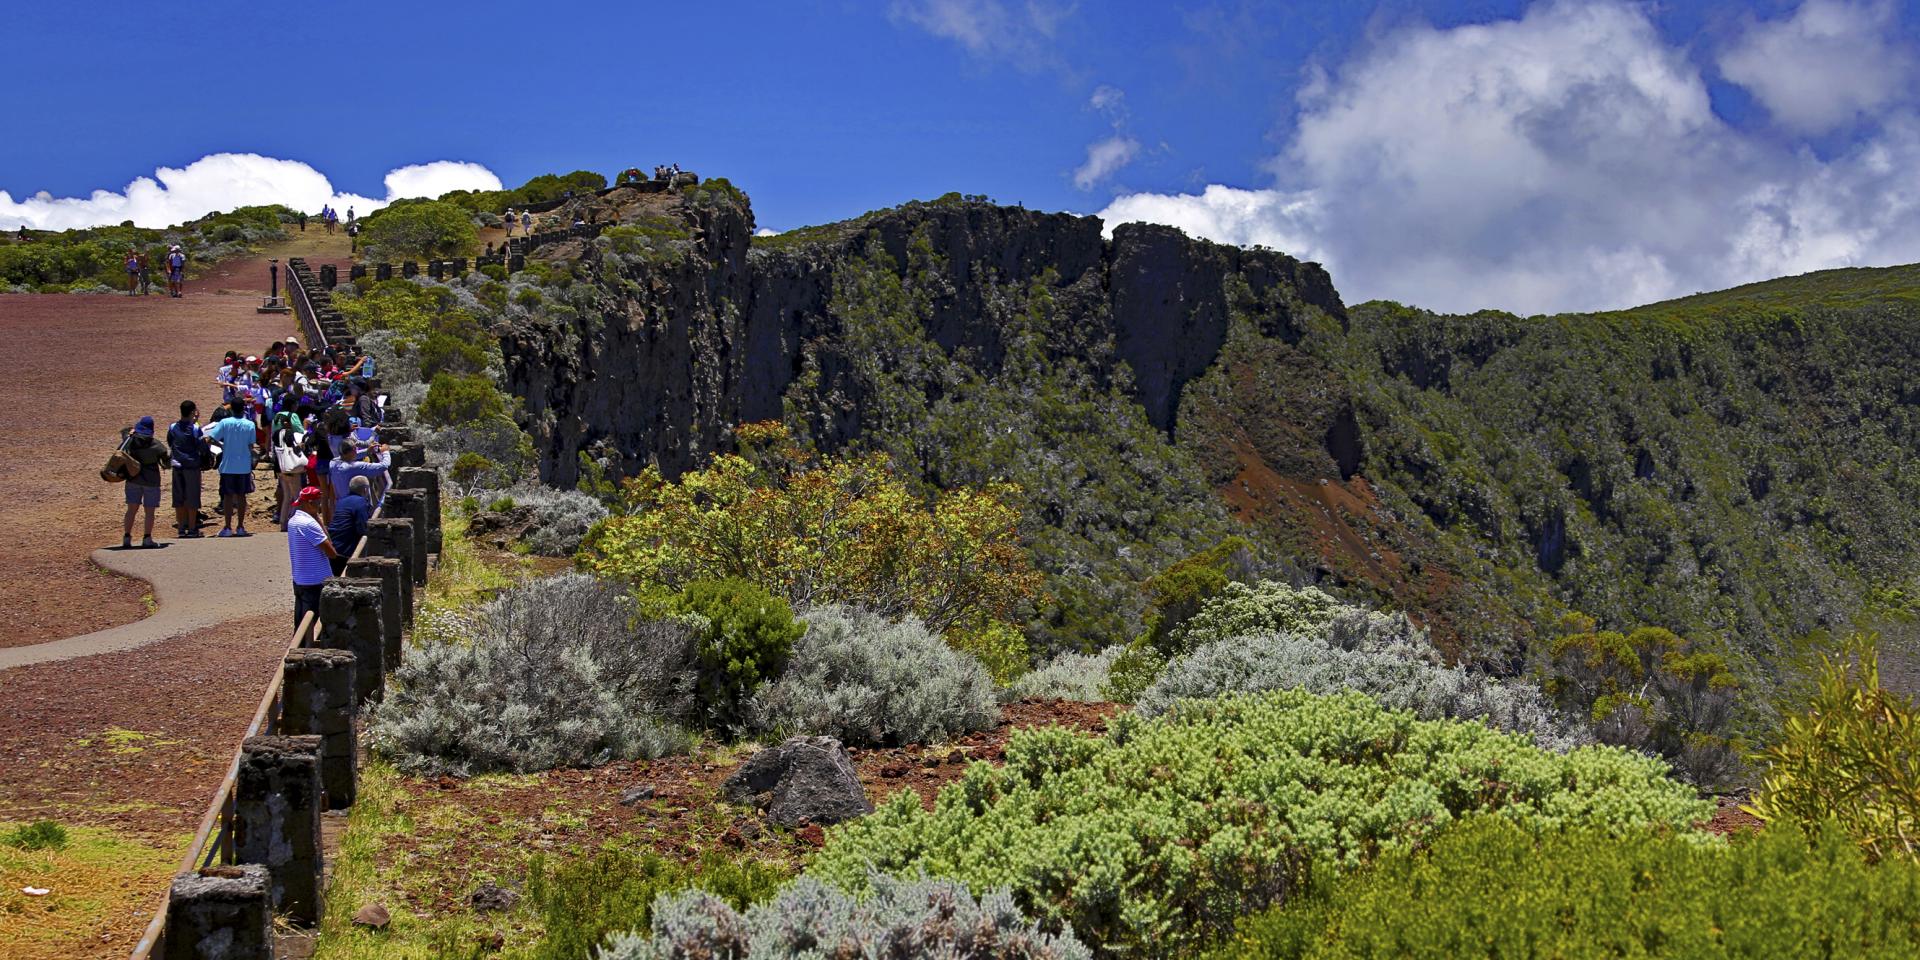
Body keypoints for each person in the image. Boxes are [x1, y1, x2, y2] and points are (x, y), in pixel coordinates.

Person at [287, 486, 340, 629]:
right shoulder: (309, 524)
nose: (320, 506)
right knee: (314, 625)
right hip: (315, 581)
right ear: (310, 503)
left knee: (301, 623)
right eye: (318, 503)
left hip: (300, 579)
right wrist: (318, 520)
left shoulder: (293, 521)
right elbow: (332, 552)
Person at [207, 399, 258, 537]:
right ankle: (240, 526)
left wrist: (223, 446)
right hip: (243, 466)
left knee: (228, 497)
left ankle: (228, 526)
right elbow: (251, 445)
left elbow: (211, 438)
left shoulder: (224, 423)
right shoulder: (250, 424)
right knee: (242, 496)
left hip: (228, 465)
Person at [120, 416, 170, 548]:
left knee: (131, 510)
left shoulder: (130, 441)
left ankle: (127, 537)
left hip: (133, 479)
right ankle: (147, 538)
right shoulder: (157, 445)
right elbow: (167, 463)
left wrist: (130, 433)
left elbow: (123, 435)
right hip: (151, 481)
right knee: (149, 511)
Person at [168, 400, 207, 538]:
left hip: (177, 465)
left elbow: (170, 442)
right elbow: (202, 447)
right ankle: (191, 529)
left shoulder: (173, 427)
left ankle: (181, 528)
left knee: (179, 497)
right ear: (192, 412)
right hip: (192, 466)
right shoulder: (195, 429)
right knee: (192, 498)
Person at [326, 475, 373, 575]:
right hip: (345, 550)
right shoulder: (361, 502)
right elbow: (362, 528)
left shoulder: (342, 501)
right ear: (365, 489)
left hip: (333, 545)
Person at [328, 439, 390, 509]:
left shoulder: (332, 463)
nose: (356, 451)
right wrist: (385, 452)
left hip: (340, 505)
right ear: (351, 451)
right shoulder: (353, 467)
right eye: (355, 449)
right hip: (355, 507)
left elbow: (347, 456)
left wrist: (367, 451)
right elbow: (383, 466)